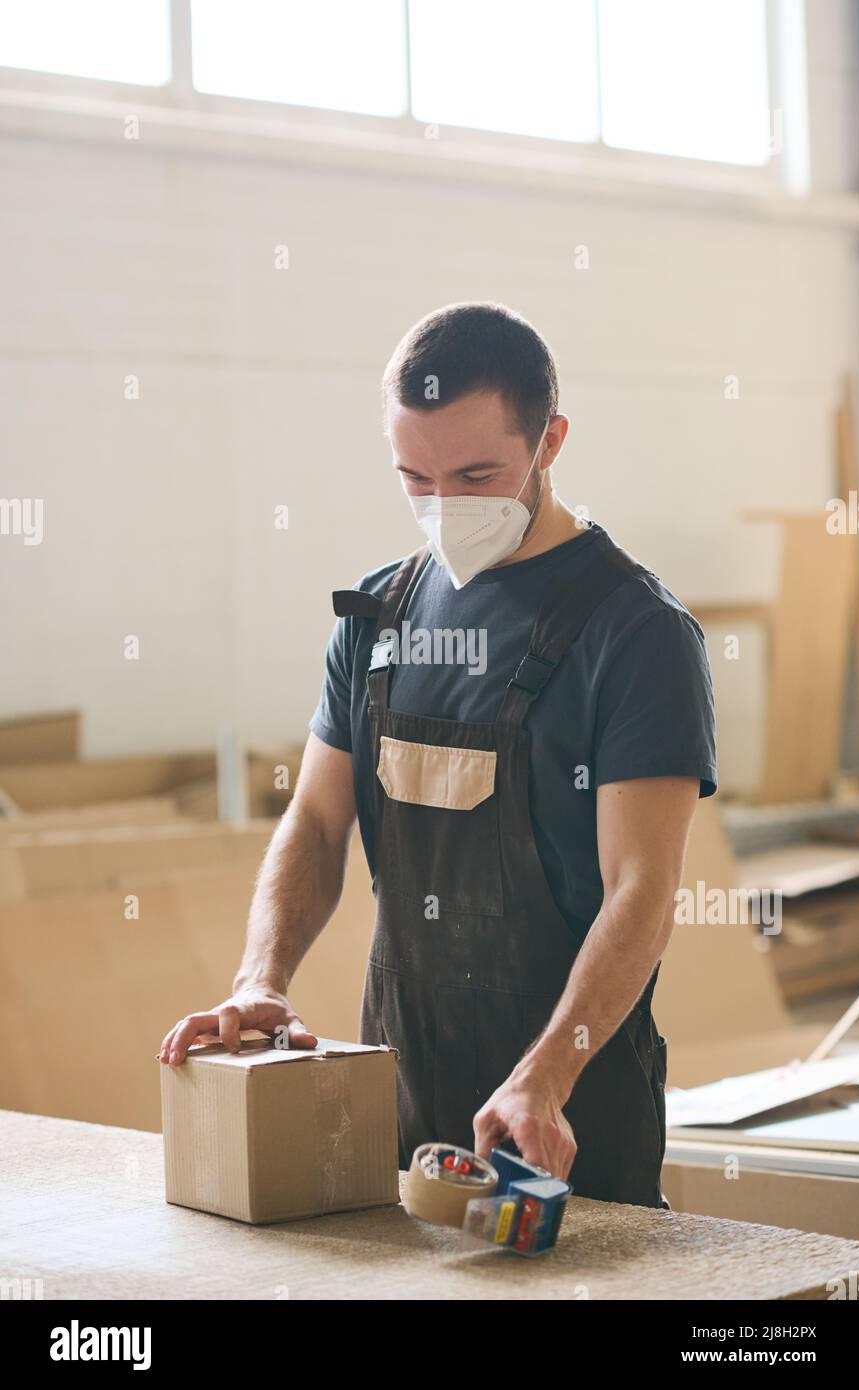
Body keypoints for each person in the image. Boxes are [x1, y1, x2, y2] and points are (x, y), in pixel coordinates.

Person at [159, 301, 717, 1206]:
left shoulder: (636, 634)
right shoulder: (378, 618)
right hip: (401, 1107)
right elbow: (314, 817)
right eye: (415, 478)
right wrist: (262, 979)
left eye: (476, 474)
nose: (445, 507)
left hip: (567, 1125)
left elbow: (642, 893)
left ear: (551, 440)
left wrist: (547, 1077)